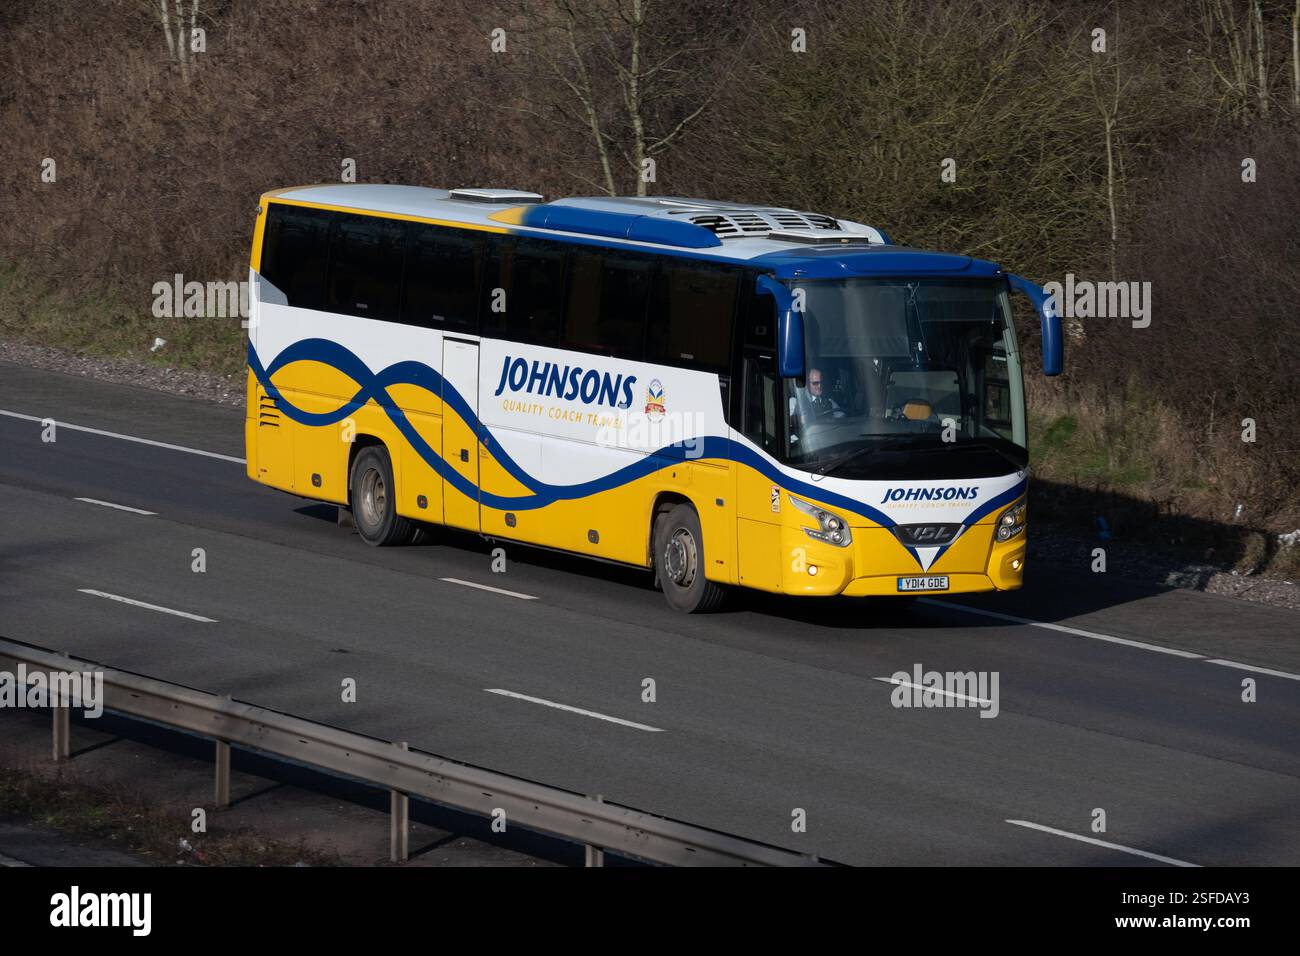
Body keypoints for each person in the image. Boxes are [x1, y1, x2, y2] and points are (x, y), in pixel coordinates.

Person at [789, 366, 843, 444]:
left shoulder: (829, 401)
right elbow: (789, 423)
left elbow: (842, 417)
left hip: (827, 442)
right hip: (804, 444)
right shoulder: (795, 402)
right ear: (807, 384)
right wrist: (798, 419)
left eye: (821, 382)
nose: (819, 386)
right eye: (815, 383)